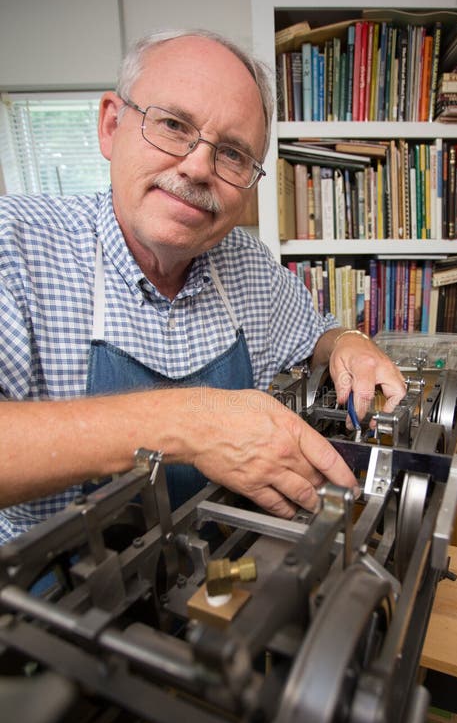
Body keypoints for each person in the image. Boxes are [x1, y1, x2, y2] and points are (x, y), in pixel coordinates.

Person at [0, 28, 406, 545]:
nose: (196, 167)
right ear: (110, 125)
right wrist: (190, 424)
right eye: (172, 125)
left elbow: (319, 335)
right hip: (51, 607)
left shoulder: (245, 264)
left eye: (233, 154)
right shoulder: (13, 248)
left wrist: (351, 342)